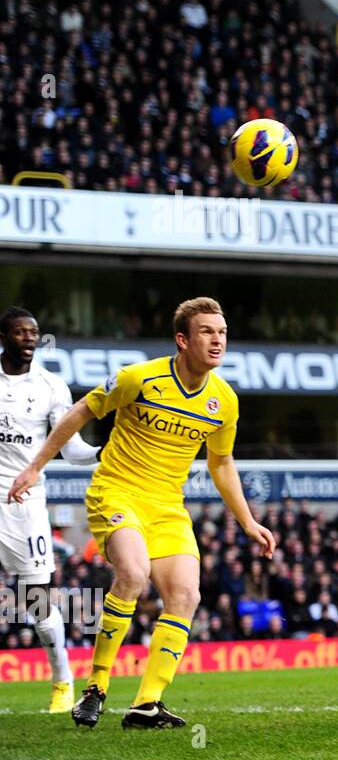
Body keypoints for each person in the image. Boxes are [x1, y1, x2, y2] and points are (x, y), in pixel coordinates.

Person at [7, 297, 277, 729]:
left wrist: (248, 521)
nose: (217, 340)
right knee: (133, 574)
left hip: (167, 505)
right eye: (207, 332)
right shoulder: (139, 378)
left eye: (222, 332)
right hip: (117, 492)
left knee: (186, 595)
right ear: (182, 340)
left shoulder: (224, 400)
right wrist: (35, 467)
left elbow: (221, 463)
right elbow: (81, 411)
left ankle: (147, 703)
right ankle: (95, 687)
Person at [0, 307, 100, 712]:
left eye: (34, 332)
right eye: (20, 332)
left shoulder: (51, 387)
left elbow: (71, 450)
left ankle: (62, 680)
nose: (29, 338)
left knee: (37, 601)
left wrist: (102, 451)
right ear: (3, 337)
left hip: (24, 504)